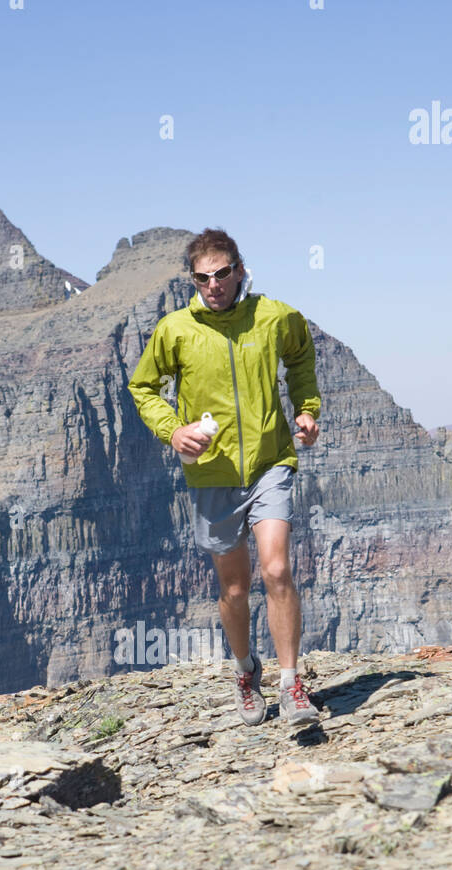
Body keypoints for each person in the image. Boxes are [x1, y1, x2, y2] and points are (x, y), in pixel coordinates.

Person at [127, 227, 322, 726]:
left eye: (222, 273)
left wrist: (305, 409)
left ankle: (291, 684)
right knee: (234, 589)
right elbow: (144, 387)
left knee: (276, 570)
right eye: (202, 277)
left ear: (239, 269)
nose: (213, 284)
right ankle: (244, 671)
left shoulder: (275, 317)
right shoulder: (175, 330)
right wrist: (173, 431)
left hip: (269, 461)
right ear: (192, 279)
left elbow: (300, 358)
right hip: (211, 475)